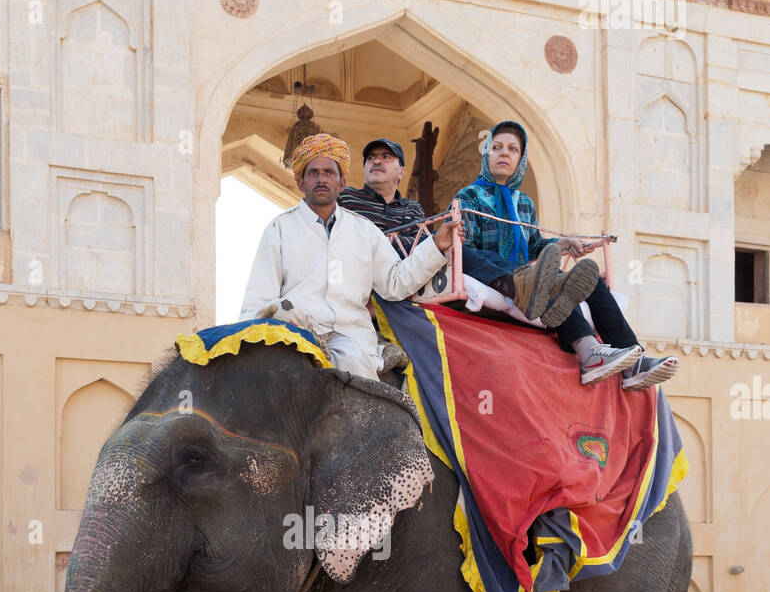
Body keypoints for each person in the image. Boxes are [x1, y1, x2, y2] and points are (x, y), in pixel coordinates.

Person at [457, 121, 679, 391]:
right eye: (497, 147)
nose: (504, 153)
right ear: (486, 154)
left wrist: (562, 244)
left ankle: (635, 362)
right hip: (497, 273)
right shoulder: (468, 196)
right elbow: (464, 247)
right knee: (546, 278)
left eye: (513, 149)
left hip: (529, 273)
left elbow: (535, 244)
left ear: (521, 159)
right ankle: (588, 351)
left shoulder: (523, 202)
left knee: (590, 278)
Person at [239, 133, 458, 380]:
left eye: (329, 172)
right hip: (296, 325)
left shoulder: (364, 230)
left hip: (350, 334)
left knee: (362, 388)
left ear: (342, 183)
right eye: (313, 173)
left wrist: (436, 246)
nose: (321, 179)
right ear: (300, 182)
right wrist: (246, 345)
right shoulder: (279, 228)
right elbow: (259, 295)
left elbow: (395, 283)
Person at [340, 138, 598, 328]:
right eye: (371, 157)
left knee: (473, 253)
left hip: (412, 267)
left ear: (401, 172)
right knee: (467, 249)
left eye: (386, 157)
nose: (377, 160)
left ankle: (525, 286)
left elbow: (422, 246)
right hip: (379, 270)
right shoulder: (347, 199)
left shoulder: (412, 207)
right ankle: (522, 286)